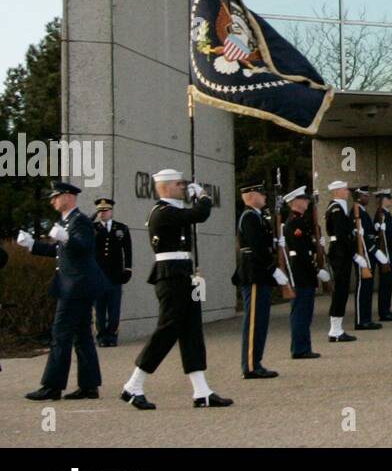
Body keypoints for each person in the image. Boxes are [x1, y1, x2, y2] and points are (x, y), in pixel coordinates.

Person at [121, 168, 232, 409]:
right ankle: (133, 384)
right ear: (166, 187)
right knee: (168, 329)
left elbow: (190, 217)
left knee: (191, 330)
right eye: (180, 184)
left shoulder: (174, 211)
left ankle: (201, 391)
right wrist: (202, 196)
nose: (184, 187)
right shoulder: (162, 212)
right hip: (170, 276)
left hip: (184, 274)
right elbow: (200, 214)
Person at [18, 180, 107, 401]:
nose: (53, 200)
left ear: (68, 196)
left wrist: (66, 238)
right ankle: (89, 386)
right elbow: (60, 252)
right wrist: (32, 245)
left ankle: (52, 386)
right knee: (82, 336)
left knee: (61, 334)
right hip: (76, 286)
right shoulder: (67, 222)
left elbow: (84, 245)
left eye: (56, 196)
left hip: (76, 288)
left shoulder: (80, 221)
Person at [235, 181, 287, 379]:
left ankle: (255, 361)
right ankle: (250, 365)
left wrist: (275, 242)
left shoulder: (258, 217)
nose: (265, 197)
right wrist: (273, 268)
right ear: (251, 196)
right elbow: (256, 247)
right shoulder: (249, 217)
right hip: (254, 273)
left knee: (261, 320)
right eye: (261, 193)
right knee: (254, 321)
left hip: (260, 273)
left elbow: (263, 243)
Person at [282, 186, 322, 359]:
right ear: (294, 202)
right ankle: (300, 348)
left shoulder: (301, 221)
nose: (307, 202)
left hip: (305, 271)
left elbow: (309, 246)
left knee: (305, 312)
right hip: (301, 272)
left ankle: (303, 346)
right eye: (303, 199)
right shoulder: (294, 222)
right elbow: (300, 250)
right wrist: (316, 269)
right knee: (301, 312)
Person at [91, 196, 131, 346]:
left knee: (114, 309)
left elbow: (127, 250)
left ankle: (112, 336)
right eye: (100, 211)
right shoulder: (92, 228)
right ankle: (101, 336)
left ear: (111, 211)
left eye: (106, 210)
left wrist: (128, 269)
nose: (103, 213)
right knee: (99, 309)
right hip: (97, 275)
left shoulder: (121, 228)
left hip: (115, 275)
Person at [323, 180, 359, 343]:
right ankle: (335, 330)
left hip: (341, 252)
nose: (348, 192)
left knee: (342, 290)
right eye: (345, 189)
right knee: (340, 290)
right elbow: (342, 236)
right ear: (337, 191)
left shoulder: (338, 209)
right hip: (340, 253)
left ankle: (337, 328)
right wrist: (354, 254)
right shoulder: (336, 209)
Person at [352, 186, 381, 332]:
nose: (367, 198)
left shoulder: (363, 212)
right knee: (362, 287)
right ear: (359, 196)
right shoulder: (356, 212)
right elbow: (358, 236)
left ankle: (366, 318)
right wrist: (372, 250)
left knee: (368, 287)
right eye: (365, 196)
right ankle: (361, 320)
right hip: (363, 254)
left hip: (368, 253)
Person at [372, 190, 392, 322]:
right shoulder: (381, 214)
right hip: (387, 253)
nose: (390, 200)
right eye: (388, 198)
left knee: (387, 284)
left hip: (391, 252)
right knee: (385, 284)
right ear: (383, 199)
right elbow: (384, 237)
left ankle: (386, 310)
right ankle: (384, 312)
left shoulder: (385, 214)